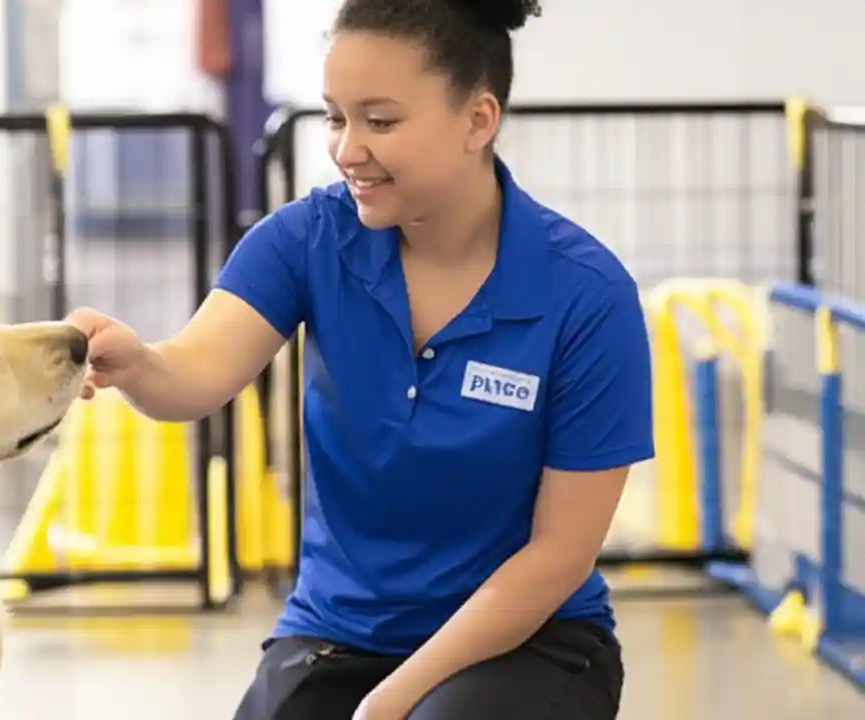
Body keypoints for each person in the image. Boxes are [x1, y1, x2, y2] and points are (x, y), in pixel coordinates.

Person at [65, 0, 652, 717]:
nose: (346, 150)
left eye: (380, 121)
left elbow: (560, 557)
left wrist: (390, 701)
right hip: (341, 632)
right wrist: (138, 365)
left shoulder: (587, 296)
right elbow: (195, 375)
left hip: (528, 637)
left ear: (478, 120)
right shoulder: (306, 240)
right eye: (335, 118)